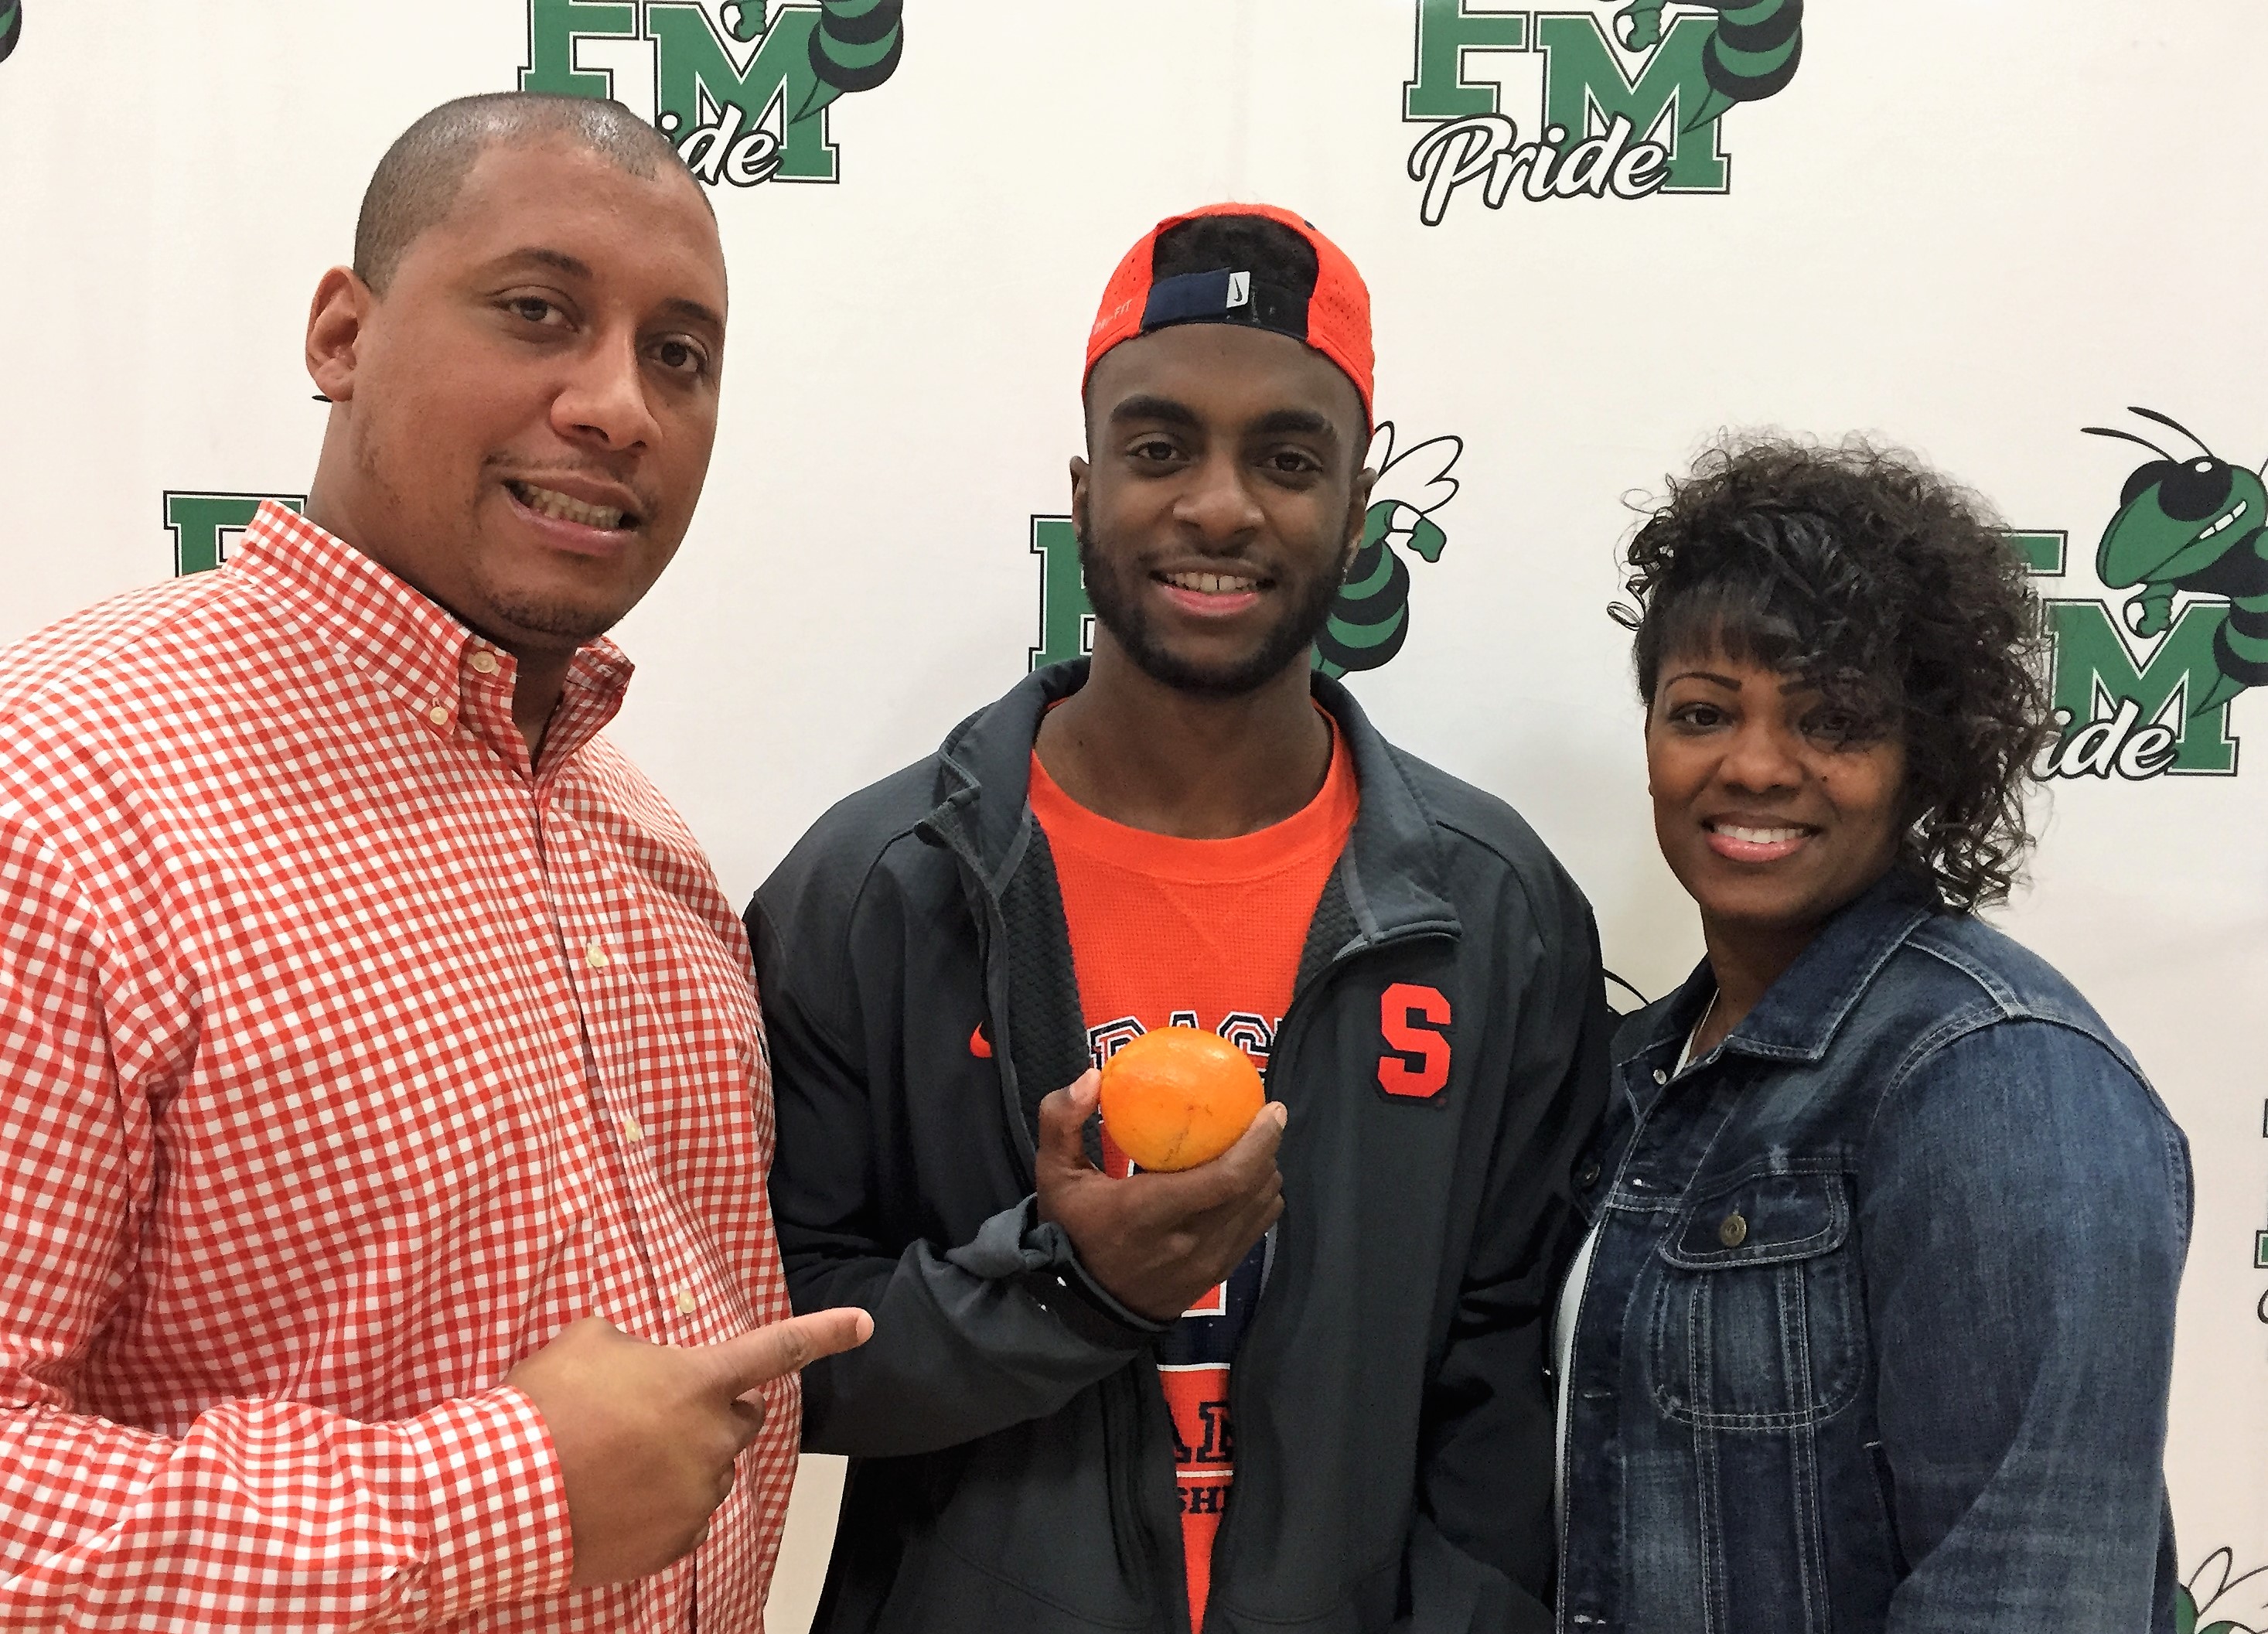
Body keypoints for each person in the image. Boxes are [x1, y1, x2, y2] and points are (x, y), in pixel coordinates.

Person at [0, 93, 867, 1629]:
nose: (617, 404)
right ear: (343, 335)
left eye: (680, 353)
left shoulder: (643, 840)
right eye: (538, 311)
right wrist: (505, 1495)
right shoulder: (62, 797)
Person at [752, 203, 1609, 1634]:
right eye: (1160, 450)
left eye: (1285, 458)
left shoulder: (1491, 907)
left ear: (1357, 511)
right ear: (1084, 492)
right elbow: (780, 1359)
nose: (1218, 506)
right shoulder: (877, 886)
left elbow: (1507, 1381)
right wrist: (1063, 1284)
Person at [1557, 436, 2190, 1632]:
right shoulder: (1638, 1068)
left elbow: (2026, 1598)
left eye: (1830, 720)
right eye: (1702, 711)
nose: (1752, 764)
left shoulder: (2001, 1080)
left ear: (1919, 761)